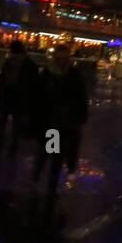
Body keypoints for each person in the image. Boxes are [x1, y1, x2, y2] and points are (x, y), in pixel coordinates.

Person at [33, 42, 88, 199]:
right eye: (60, 58)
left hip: (64, 122)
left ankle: (45, 181)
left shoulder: (68, 74)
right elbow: (40, 97)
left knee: (55, 154)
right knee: (51, 152)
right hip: (54, 122)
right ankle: (43, 181)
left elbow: (80, 97)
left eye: (64, 58)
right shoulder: (51, 74)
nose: (62, 61)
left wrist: (79, 115)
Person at [0, 40, 37, 159]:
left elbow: (3, 78)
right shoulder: (29, 64)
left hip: (12, 98)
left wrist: (1, 89)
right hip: (16, 99)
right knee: (14, 128)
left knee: (4, 126)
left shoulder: (10, 62)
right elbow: (32, 86)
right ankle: (9, 151)